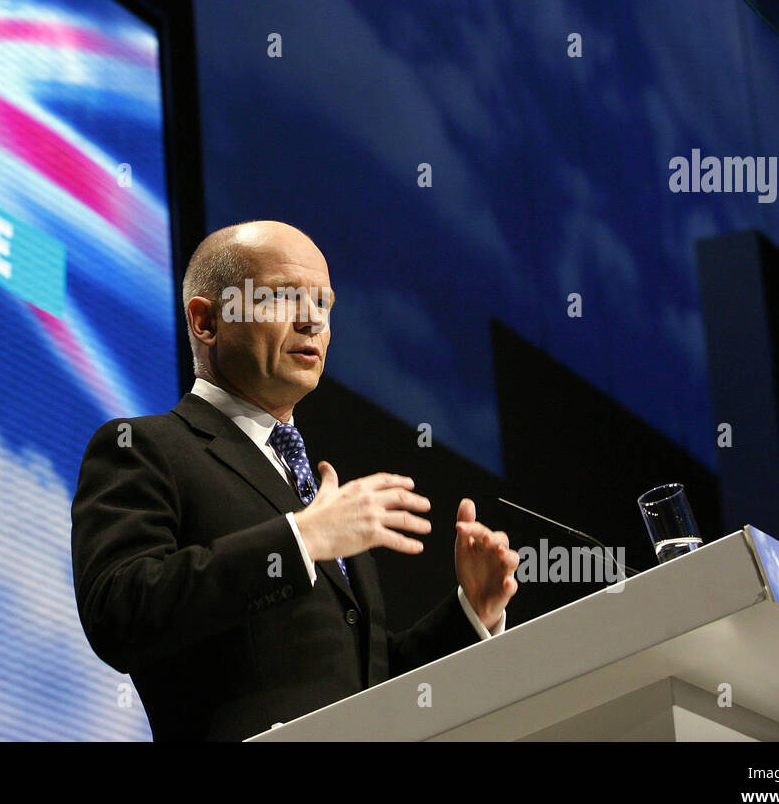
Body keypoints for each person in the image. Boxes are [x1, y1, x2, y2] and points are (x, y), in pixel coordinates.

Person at [71, 220, 519, 741]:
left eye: (324, 304)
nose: (312, 322)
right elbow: (119, 611)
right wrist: (301, 539)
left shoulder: (313, 488)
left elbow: (368, 689)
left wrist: (472, 613)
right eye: (284, 299)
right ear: (206, 321)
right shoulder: (144, 449)